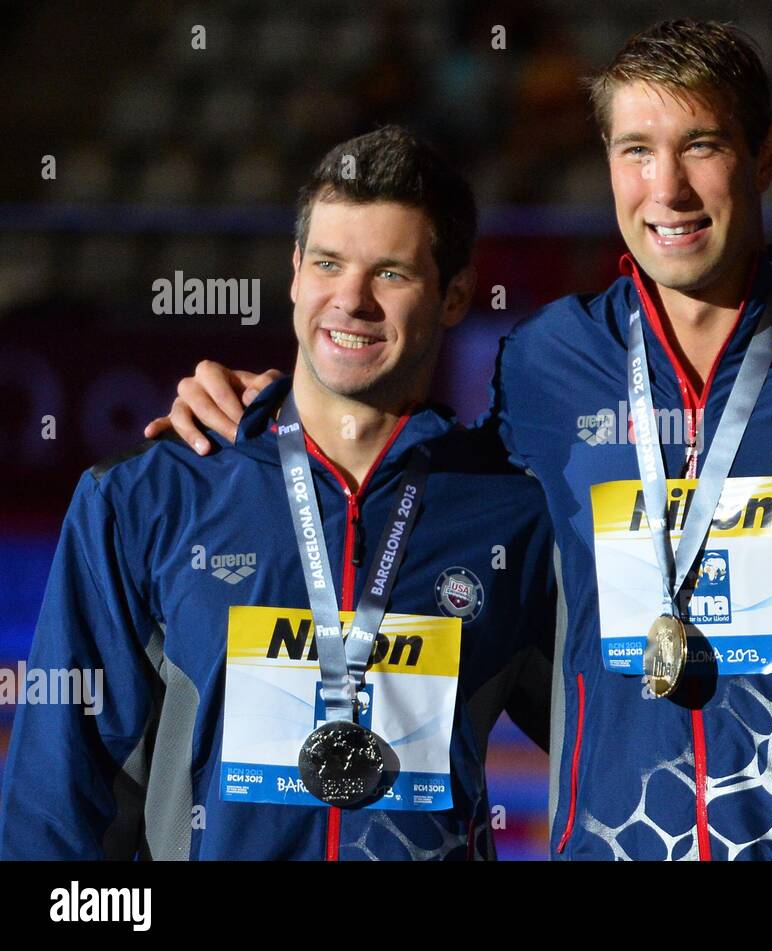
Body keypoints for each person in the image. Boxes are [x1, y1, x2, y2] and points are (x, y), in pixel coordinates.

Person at [144, 19, 772, 860]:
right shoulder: (551, 361)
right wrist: (275, 413)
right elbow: (425, 489)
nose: (667, 189)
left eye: (701, 146)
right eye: (634, 150)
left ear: (765, 156)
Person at [0, 126, 555, 860]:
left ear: (454, 295)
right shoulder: (146, 499)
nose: (350, 299)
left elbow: (624, 742)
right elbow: (55, 810)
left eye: (390, 273)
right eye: (328, 263)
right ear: (294, 272)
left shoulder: (512, 512)